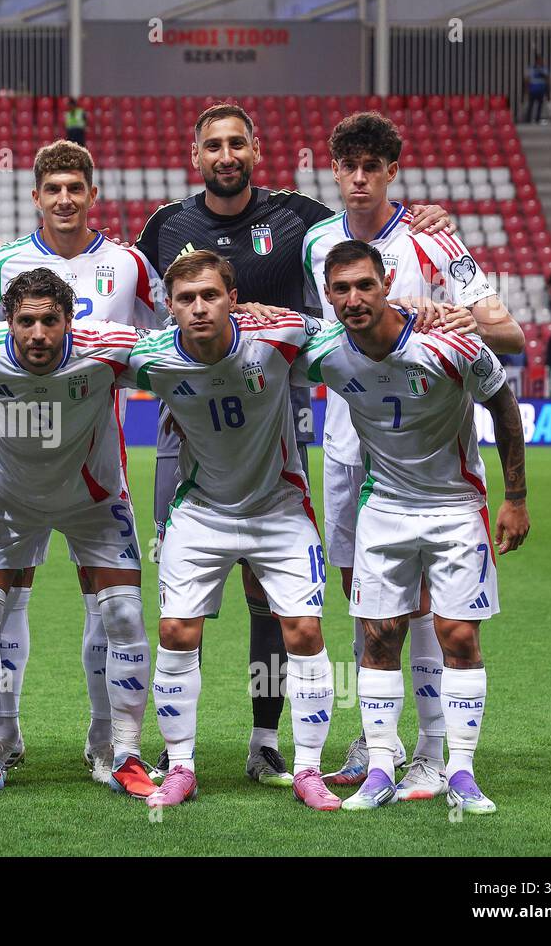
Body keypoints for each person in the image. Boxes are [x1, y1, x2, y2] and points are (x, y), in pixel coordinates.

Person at [135, 102, 452, 786]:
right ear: (197, 155)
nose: (226, 155)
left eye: (237, 144)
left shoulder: (301, 218)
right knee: (181, 598)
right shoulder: (165, 227)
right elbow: (132, 316)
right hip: (183, 432)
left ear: (256, 150)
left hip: (274, 421)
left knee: (271, 598)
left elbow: (366, 238)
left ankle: (264, 738)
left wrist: (426, 218)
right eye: (213, 144)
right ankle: (174, 746)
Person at [301, 110, 525, 794]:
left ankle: (434, 747)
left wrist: (460, 312)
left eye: (374, 166)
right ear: (334, 172)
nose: (361, 178)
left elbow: (507, 336)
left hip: (429, 449)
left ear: (392, 171)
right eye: (350, 166)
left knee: (433, 605)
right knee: (367, 601)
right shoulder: (317, 243)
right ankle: (380, 745)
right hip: (348, 441)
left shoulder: (432, 236)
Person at [0, 268, 157, 801]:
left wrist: (246, 318)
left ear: (68, 321)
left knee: (123, 613)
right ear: (7, 321)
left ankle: (122, 750)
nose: (37, 334)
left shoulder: (108, 346)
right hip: (9, 501)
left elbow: (187, 345)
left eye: (49, 321)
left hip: (94, 502)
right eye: (25, 321)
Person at [0, 139, 165, 782]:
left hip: (95, 466)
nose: (63, 199)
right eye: (51, 189)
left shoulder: (128, 264)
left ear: (92, 194)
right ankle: (0, 738)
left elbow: (169, 337)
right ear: (35, 197)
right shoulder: (3, 267)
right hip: (14, 464)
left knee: (111, 609)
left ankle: (108, 741)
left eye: (74, 189)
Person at [126, 251, 342, 811]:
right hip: (201, 512)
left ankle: (309, 769)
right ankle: (180, 768)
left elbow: (357, 329)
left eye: (210, 295)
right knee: (176, 632)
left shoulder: (281, 334)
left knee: (302, 632)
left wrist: (427, 312)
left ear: (232, 298)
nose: (199, 308)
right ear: (168, 307)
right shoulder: (151, 357)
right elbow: (72, 349)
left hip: (280, 509)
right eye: (186, 299)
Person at [524, 53, 550, 124]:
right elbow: (527, 80)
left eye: (541, 60)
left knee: (540, 106)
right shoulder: (531, 69)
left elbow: (547, 80)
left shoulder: (544, 69)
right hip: (533, 90)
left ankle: (537, 119)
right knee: (530, 105)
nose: (540, 61)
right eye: (539, 60)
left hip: (541, 90)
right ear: (536, 61)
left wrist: (547, 90)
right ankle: (528, 119)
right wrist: (527, 90)